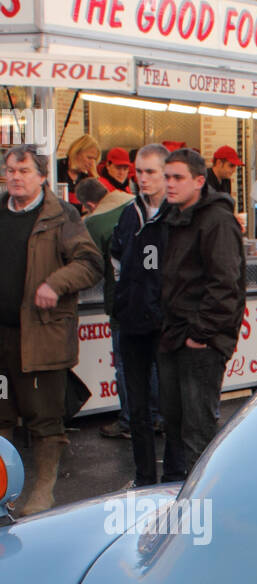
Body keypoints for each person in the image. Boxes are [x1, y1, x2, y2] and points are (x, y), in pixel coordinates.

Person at [0, 144, 102, 515]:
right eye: (10, 170)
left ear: (42, 176)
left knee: (45, 418)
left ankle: (43, 491)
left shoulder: (61, 216)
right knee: (1, 415)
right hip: (3, 337)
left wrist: (55, 284)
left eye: (23, 170)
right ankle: (3, 491)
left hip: (42, 337)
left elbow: (91, 263)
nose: (15, 177)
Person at [158, 147, 245, 482]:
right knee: (175, 423)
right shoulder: (173, 216)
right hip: (174, 335)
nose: (169, 184)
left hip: (201, 340)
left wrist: (201, 335)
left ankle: (206, 501)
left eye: (177, 178)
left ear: (198, 180)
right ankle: (184, 497)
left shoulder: (217, 220)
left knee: (198, 431)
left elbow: (225, 285)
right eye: (167, 177)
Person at [111, 144, 170, 486]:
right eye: (139, 171)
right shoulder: (129, 212)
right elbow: (116, 255)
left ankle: (177, 478)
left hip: (165, 325)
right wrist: (123, 297)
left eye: (151, 171)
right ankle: (144, 478)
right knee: (137, 410)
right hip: (132, 323)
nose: (143, 178)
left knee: (170, 408)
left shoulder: (175, 216)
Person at [82, 178, 136, 440]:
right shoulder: (136, 204)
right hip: (147, 297)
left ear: (89, 204)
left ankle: (128, 420)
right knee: (151, 363)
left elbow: (87, 265)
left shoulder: (94, 222)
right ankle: (156, 417)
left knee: (125, 363)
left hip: (120, 300)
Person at [60, 135, 101, 206]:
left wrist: (94, 177)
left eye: (94, 159)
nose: (92, 163)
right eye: (89, 158)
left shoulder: (85, 177)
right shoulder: (57, 170)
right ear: (76, 153)